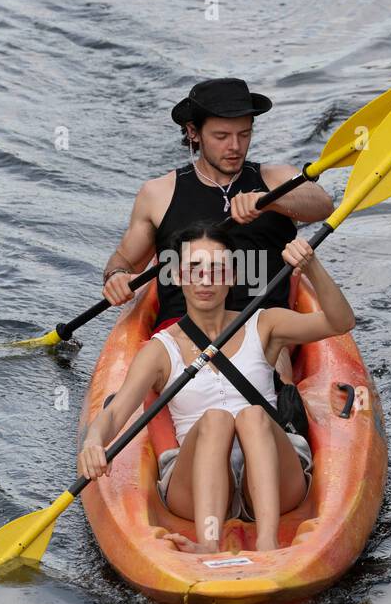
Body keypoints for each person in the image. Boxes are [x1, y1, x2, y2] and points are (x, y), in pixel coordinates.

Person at [78, 221, 356, 555]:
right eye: (194, 268)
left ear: (233, 276)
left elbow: (340, 323)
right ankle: (208, 541)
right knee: (215, 420)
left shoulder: (264, 323)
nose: (205, 279)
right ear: (178, 276)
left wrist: (312, 264)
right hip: (196, 483)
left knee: (252, 416)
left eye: (216, 269)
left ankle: (268, 541)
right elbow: (116, 412)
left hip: (273, 476)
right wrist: (93, 442)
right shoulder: (160, 350)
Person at [100, 79, 334, 370]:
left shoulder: (275, 179)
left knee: (270, 366)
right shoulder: (158, 194)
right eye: (221, 136)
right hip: (182, 331)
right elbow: (124, 260)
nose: (235, 147)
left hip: (264, 330)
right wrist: (117, 276)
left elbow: (322, 206)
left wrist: (270, 201)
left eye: (244, 134)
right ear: (193, 132)